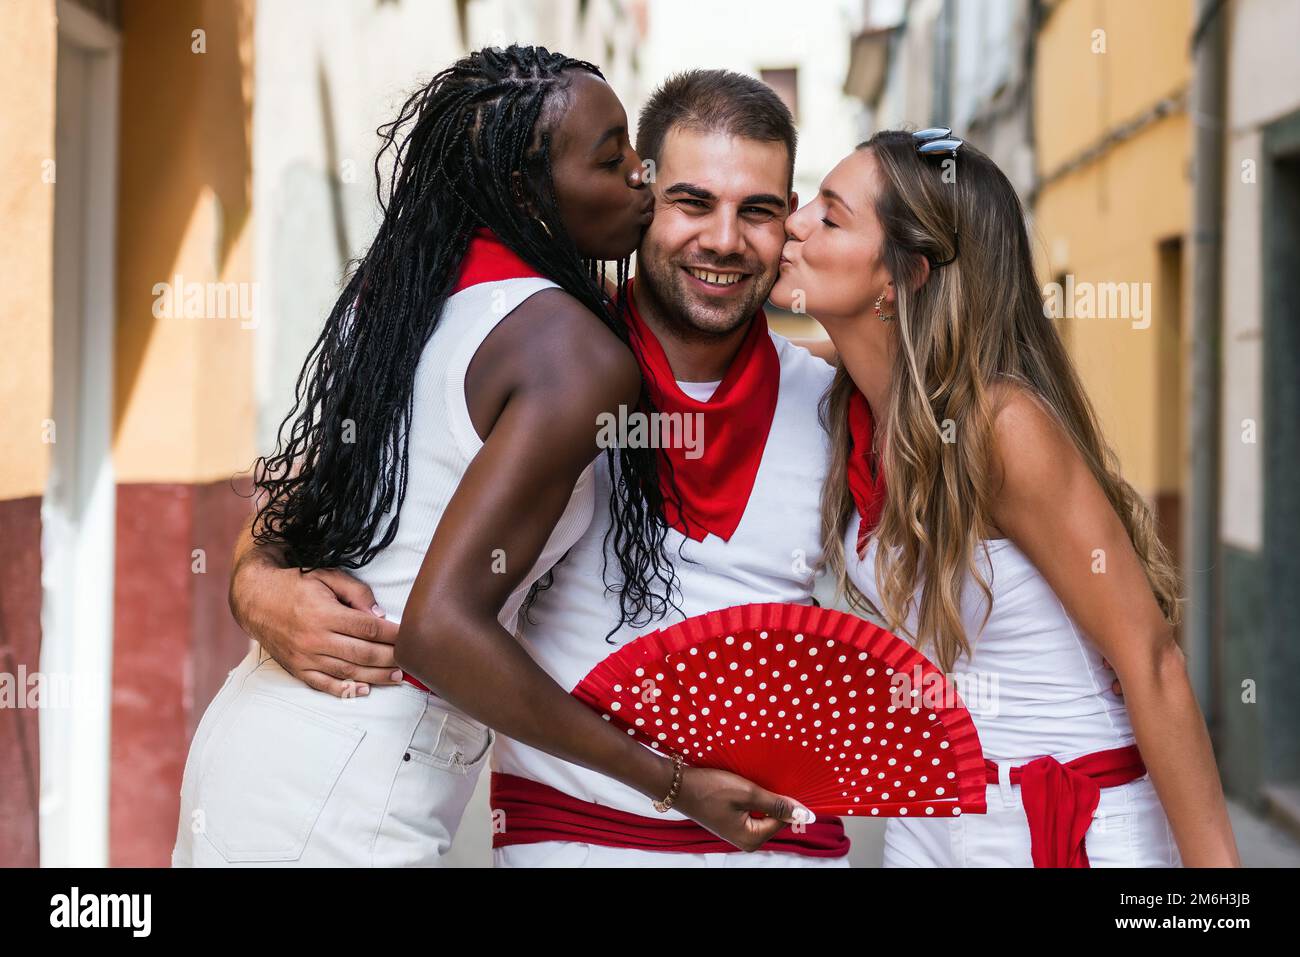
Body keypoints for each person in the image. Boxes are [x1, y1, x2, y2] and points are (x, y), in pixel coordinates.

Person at [172, 46, 803, 868]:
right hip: (350, 787)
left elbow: (318, 496)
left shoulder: (414, 293)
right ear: (525, 190)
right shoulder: (571, 351)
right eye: (614, 163)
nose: (638, 188)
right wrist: (676, 783)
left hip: (261, 741)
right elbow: (438, 631)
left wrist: (253, 576)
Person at [771, 128, 1240, 867]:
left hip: (1067, 818)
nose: (792, 222)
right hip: (931, 812)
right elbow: (712, 346)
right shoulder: (848, 400)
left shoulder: (1001, 427)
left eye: (829, 217)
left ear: (903, 276)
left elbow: (1152, 663)